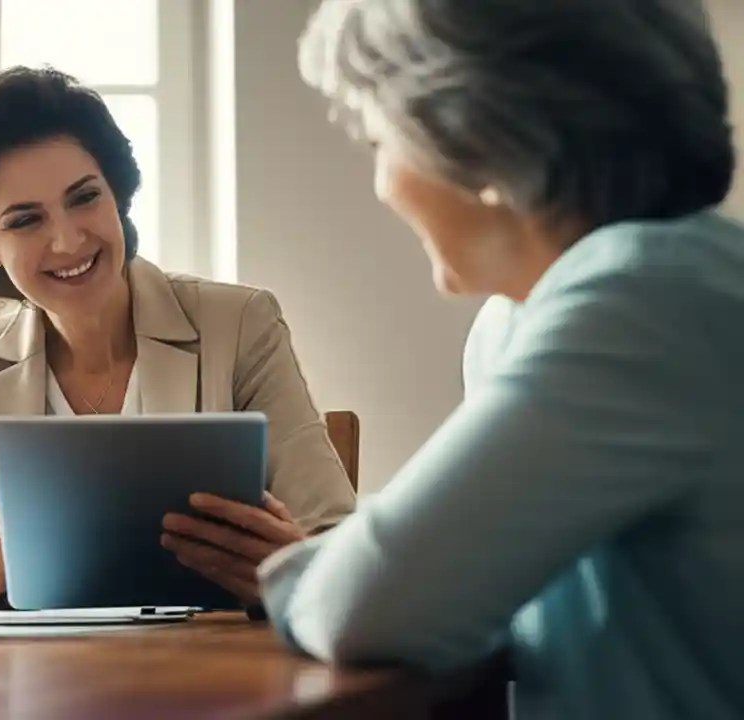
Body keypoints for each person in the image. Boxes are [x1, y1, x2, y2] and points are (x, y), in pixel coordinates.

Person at [261, 1, 744, 718]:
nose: (382, 181)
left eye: (378, 141)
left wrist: (298, 567)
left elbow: (365, 607)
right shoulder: (521, 319)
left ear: (474, 140)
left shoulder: (644, 296)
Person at [0, 66, 356, 615]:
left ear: (117, 193)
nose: (68, 240)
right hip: (35, 689)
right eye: (25, 220)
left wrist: (287, 567)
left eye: (84, 197)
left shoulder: (239, 324)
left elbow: (339, 546)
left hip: (215, 680)